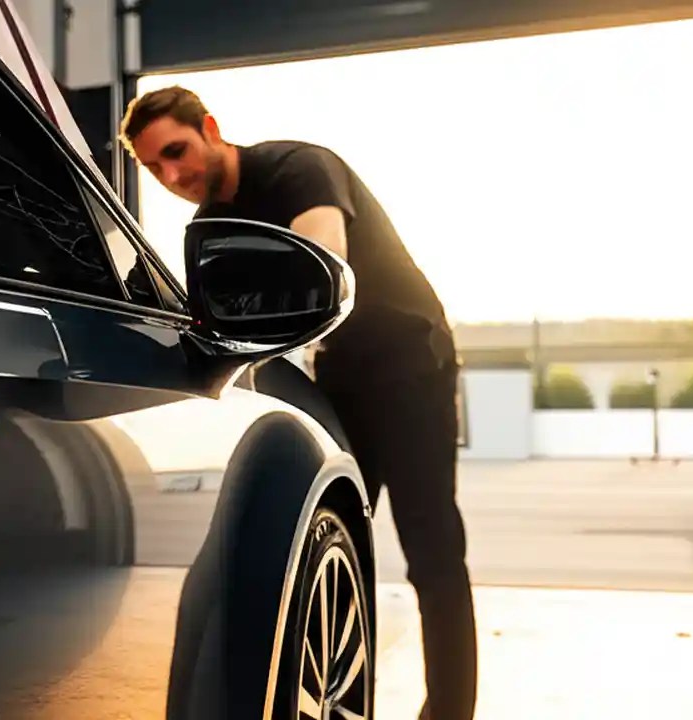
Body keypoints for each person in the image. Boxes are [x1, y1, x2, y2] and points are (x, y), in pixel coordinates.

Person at [120, 86, 478, 720]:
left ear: (209, 128)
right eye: (154, 168)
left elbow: (325, 258)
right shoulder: (208, 229)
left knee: (432, 549)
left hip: (410, 361)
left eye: (176, 151)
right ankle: (332, 691)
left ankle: (449, 712)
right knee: (327, 533)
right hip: (338, 374)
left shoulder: (296, 168)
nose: (172, 175)